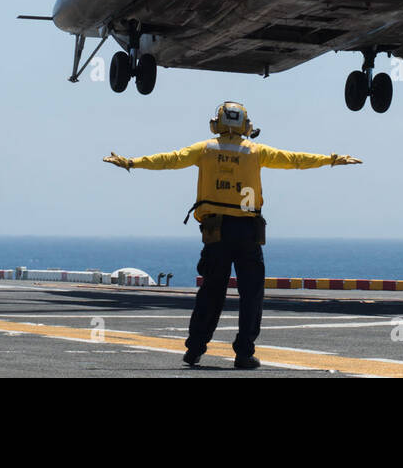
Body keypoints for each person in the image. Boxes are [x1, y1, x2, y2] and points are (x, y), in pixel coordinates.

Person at [104, 101, 361, 369]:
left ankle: (194, 349)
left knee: (211, 292)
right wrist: (330, 159)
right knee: (251, 294)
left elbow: (170, 159)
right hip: (247, 232)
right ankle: (244, 353)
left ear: (217, 123)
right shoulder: (256, 151)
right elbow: (294, 160)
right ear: (246, 125)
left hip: (216, 232)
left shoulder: (205, 149)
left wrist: (132, 162)